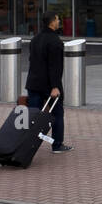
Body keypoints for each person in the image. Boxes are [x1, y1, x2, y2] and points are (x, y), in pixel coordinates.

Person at [25, 11, 73, 153]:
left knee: (33, 116)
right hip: (48, 86)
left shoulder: (35, 39)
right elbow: (55, 67)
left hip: (33, 83)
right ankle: (57, 144)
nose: (59, 22)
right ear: (52, 22)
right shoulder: (55, 42)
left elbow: (32, 62)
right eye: (58, 19)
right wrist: (55, 86)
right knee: (57, 114)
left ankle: (28, 143)